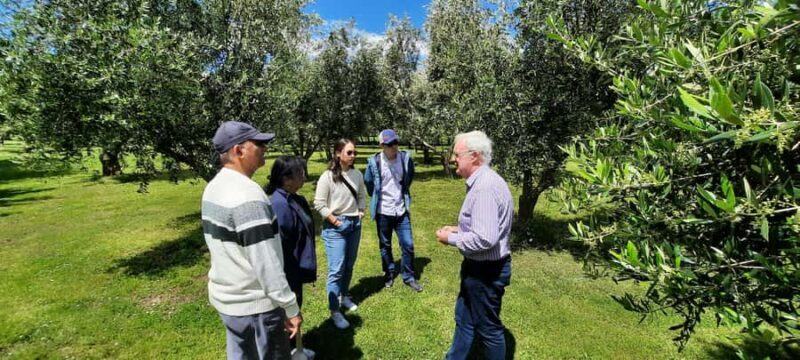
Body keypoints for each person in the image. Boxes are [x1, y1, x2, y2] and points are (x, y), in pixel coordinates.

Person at [201, 121, 302, 360]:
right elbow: (265, 261)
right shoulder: (247, 196)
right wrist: (290, 307)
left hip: (229, 302)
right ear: (238, 150)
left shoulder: (214, 187)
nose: (264, 147)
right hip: (257, 308)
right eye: (258, 143)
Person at [435, 131, 513, 360]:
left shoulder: (484, 188)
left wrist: (449, 239)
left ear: (475, 157)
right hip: (479, 269)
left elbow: (486, 238)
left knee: (488, 330)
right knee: (464, 318)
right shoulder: (483, 182)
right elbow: (487, 226)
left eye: (457, 155)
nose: (453, 159)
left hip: (486, 273)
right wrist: (458, 229)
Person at [266, 155, 317, 359]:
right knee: (287, 317)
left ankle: (295, 350)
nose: (304, 176)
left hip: (296, 270)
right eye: (300, 173)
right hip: (287, 272)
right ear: (286, 179)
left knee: (294, 312)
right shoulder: (279, 205)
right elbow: (279, 248)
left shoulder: (296, 199)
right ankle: (287, 353)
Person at [313, 138, 367, 330]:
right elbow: (319, 204)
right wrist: (336, 221)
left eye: (355, 153)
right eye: (349, 152)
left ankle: (344, 296)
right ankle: (335, 311)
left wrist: (361, 212)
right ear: (338, 154)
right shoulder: (327, 177)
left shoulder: (357, 174)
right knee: (337, 269)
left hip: (354, 224)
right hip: (336, 227)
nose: (353, 156)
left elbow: (361, 195)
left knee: (349, 265)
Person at [364, 129, 423, 291]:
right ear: (382, 145)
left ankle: (409, 277)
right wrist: (377, 197)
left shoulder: (405, 159)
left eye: (395, 142)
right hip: (383, 211)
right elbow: (368, 183)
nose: (394, 147)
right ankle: (389, 274)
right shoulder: (374, 162)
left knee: (408, 245)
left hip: (401, 210)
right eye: (389, 144)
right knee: (385, 245)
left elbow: (408, 178)